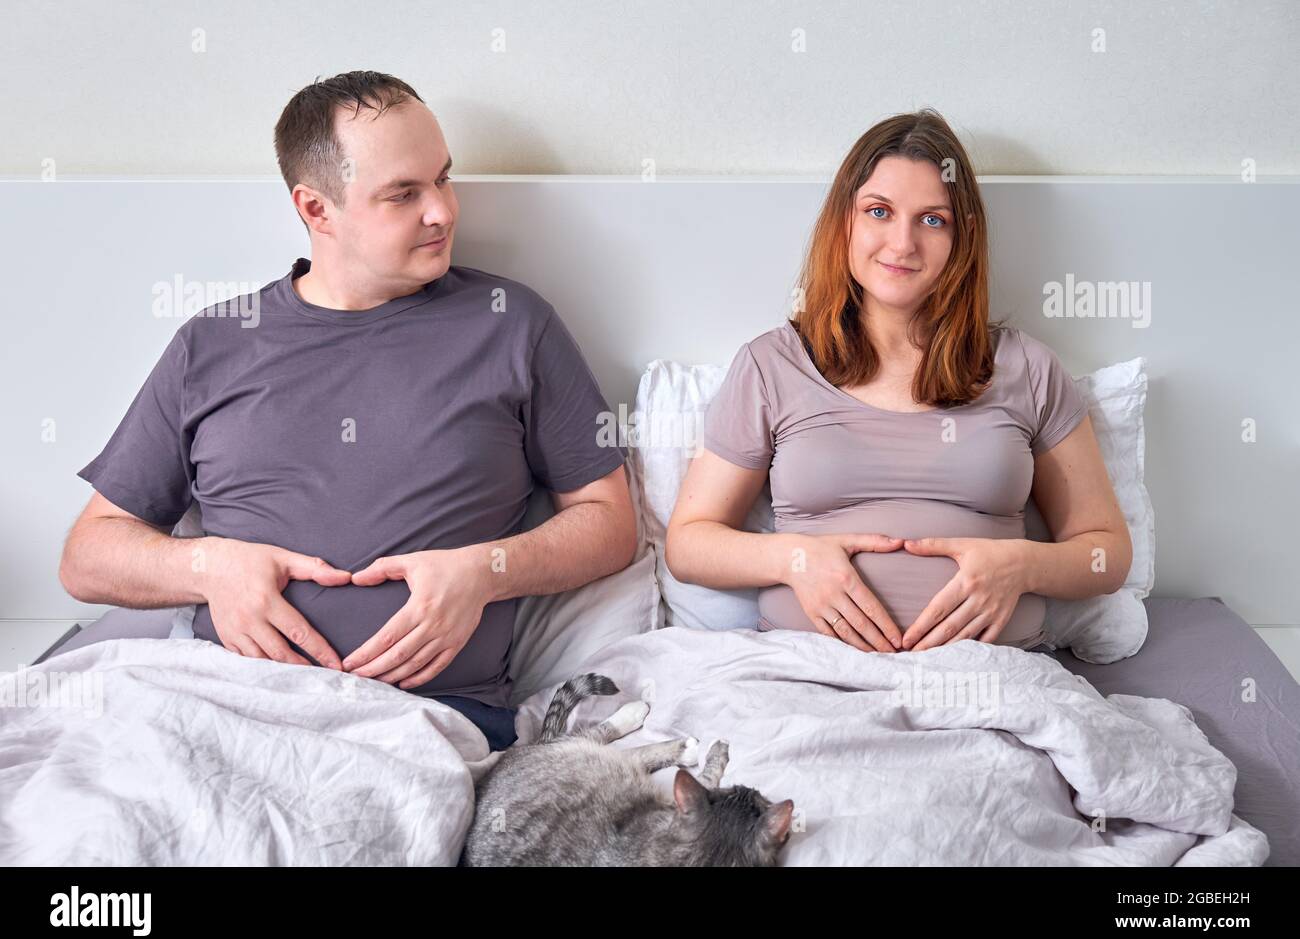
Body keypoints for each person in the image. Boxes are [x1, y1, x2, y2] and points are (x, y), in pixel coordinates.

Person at [56, 71, 637, 752]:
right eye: (403, 194)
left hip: (430, 727)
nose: (444, 212)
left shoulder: (512, 325)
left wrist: (485, 572)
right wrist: (208, 568)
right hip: (228, 714)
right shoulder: (211, 345)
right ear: (316, 209)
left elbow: (611, 523)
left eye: (443, 179)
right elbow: (87, 556)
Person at [665, 109, 1132, 655]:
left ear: (963, 237)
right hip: (806, 682)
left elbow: (1108, 552)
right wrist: (795, 559)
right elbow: (689, 543)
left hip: (990, 687)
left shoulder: (1028, 369)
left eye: (932, 219)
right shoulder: (772, 366)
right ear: (846, 223)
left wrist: (1022, 565)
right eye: (879, 211)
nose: (903, 243)